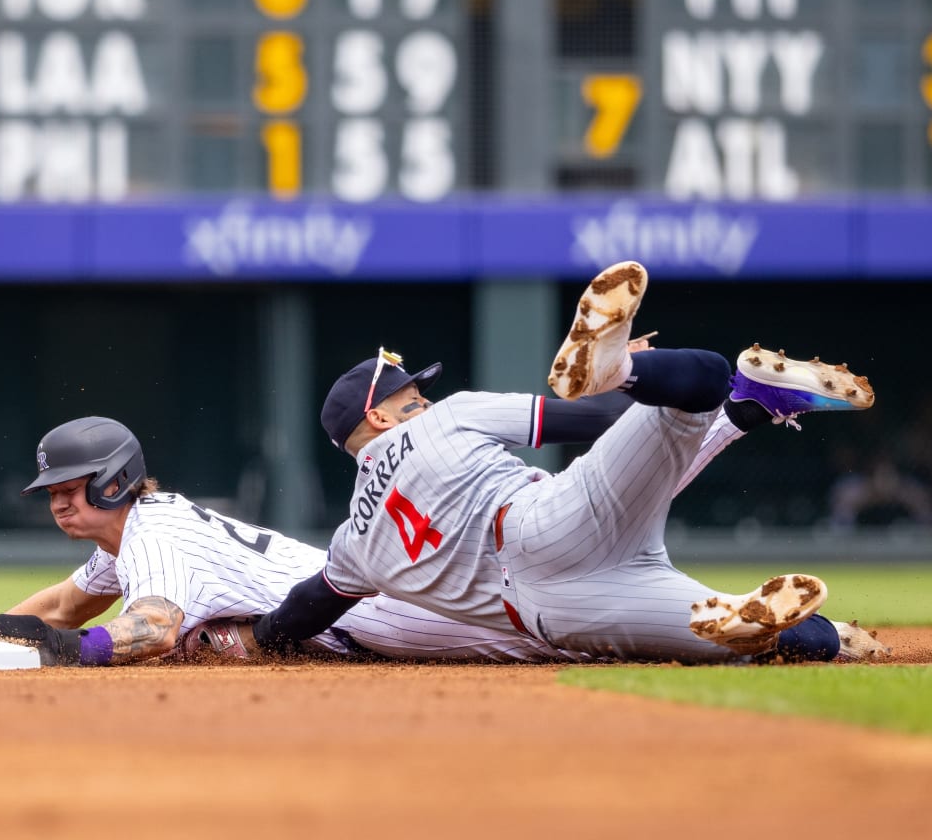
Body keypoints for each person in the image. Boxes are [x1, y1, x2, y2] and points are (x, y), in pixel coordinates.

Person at [244, 260, 877, 663]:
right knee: (706, 378)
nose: (426, 398)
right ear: (378, 415)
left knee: (732, 639)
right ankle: (626, 369)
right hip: (549, 521)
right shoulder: (449, 416)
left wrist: (262, 638)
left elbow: (308, 606)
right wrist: (641, 385)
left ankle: (835, 640)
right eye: (412, 394)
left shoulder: (355, 540)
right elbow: (591, 420)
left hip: (552, 614)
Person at [0, 409, 888, 667]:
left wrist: (79, 652)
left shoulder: (158, 539)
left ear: (111, 480)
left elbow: (152, 623)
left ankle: (810, 638)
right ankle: (726, 426)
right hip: (362, 602)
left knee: (566, 638)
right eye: (49, 492)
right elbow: (67, 598)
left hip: (387, 615)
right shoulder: (141, 531)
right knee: (580, 598)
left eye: (66, 487)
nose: (56, 502)